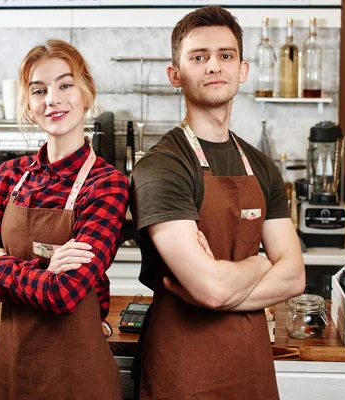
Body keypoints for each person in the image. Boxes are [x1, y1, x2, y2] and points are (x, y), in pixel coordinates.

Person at [130, 6, 305, 399]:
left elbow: (294, 276)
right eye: (198, 57)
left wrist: (223, 285)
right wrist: (262, 263)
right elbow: (209, 288)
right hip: (182, 367)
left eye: (225, 56)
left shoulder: (261, 166)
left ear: (242, 70)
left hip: (251, 365)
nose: (214, 66)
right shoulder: (162, 166)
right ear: (175, 75)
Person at [0, 39, 128, 400]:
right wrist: (46, 269)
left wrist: (0, 263)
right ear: (29, 104)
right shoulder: (9, 176)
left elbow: (64, 295)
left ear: (87, 92)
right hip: (14, 374)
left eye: (65, 85)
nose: (52, 99)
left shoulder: (107, 184)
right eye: (39, 90)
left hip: (81, 380)